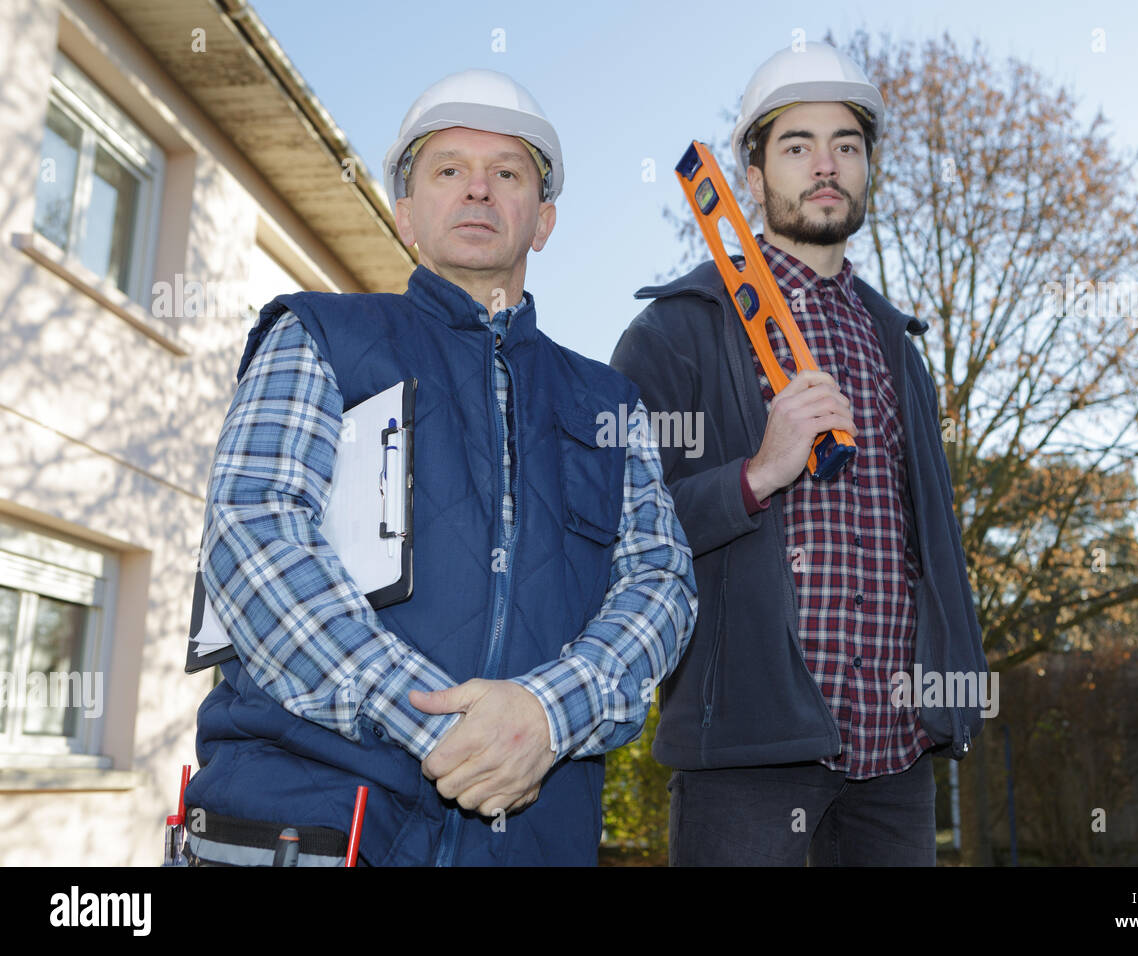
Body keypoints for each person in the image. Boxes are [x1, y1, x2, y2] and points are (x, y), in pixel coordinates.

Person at [184, 69, 697, 866]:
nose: (478, 191)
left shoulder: (609, 402)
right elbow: (254, 533)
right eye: (449, 170)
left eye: (507, 174)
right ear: (406, 212)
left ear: (544, 219)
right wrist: (435, 722)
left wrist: (546, 716)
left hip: (532, 839)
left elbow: (660, 583)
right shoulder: (317, 335)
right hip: (316, 826)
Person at [610, 42, 987, 866]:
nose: (826, 165)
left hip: (896, 754)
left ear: (866, 171)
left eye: (846, 146)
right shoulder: (679, 330)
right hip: (747, 753)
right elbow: (616, 525)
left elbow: (935, 546)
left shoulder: (899, 346)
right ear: (751, 177)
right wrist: (755, 475)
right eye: (797, 145)